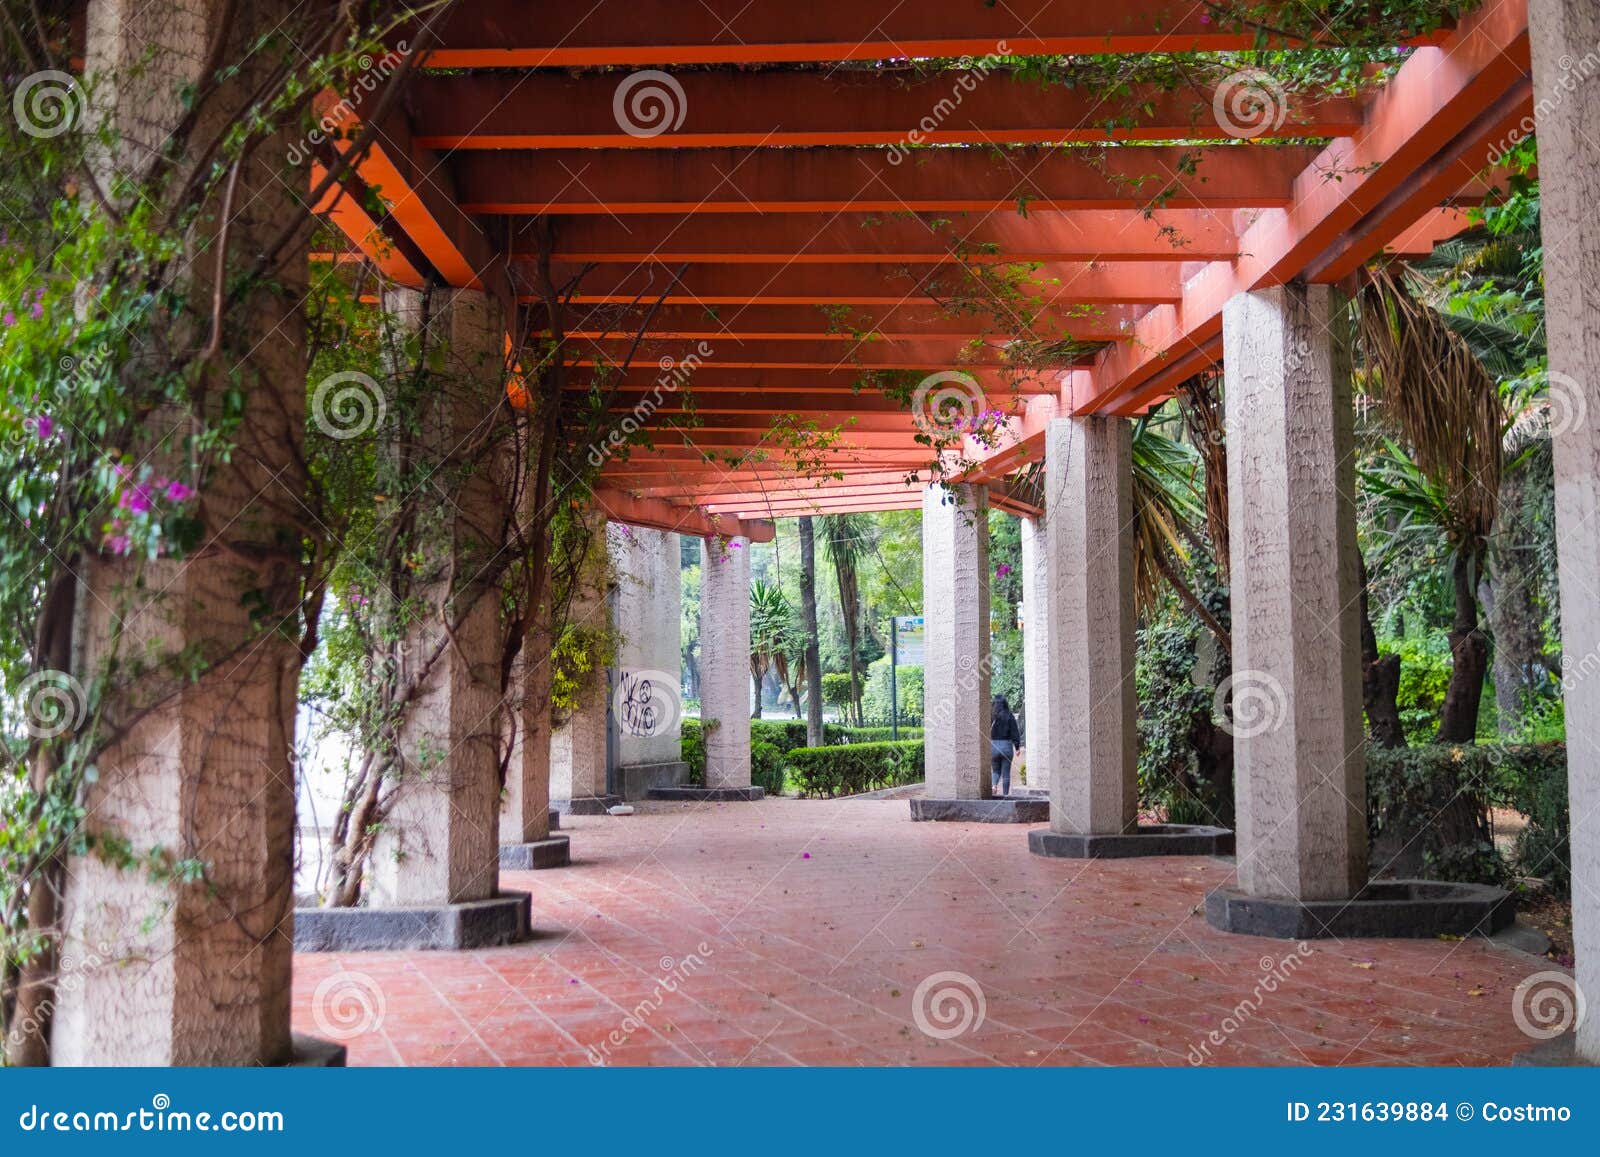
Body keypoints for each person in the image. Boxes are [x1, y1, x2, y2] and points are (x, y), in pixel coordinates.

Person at [990, 694, 1021, 797]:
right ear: (1005, 703)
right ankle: (1005, 795)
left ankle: (994, 785)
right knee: (1006, 773)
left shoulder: (991, 716)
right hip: (1006, 747)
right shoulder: (1009, 715)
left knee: (995, 770)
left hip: (993, 746)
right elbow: (1014, 732)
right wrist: (1017, 747)